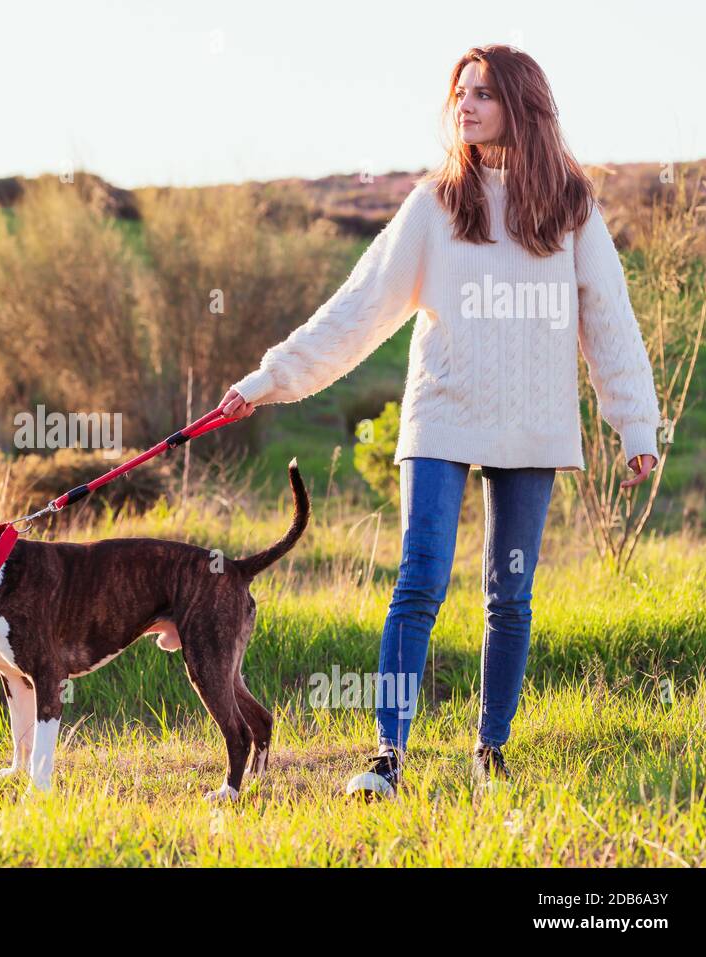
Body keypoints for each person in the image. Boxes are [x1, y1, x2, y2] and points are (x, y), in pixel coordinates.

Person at [219, 44, 661, 799]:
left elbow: (608, 319)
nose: (466, 105)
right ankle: (388, 755)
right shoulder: (435, 204)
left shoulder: (571, 204)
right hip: (442, 415)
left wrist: (636, 425)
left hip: (531, 425)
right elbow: (360, 309)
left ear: (521, 104)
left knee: (509, 593)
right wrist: (272, 378)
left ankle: (490, 751)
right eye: (460, 92)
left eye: (484, 94)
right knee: (419, 579)